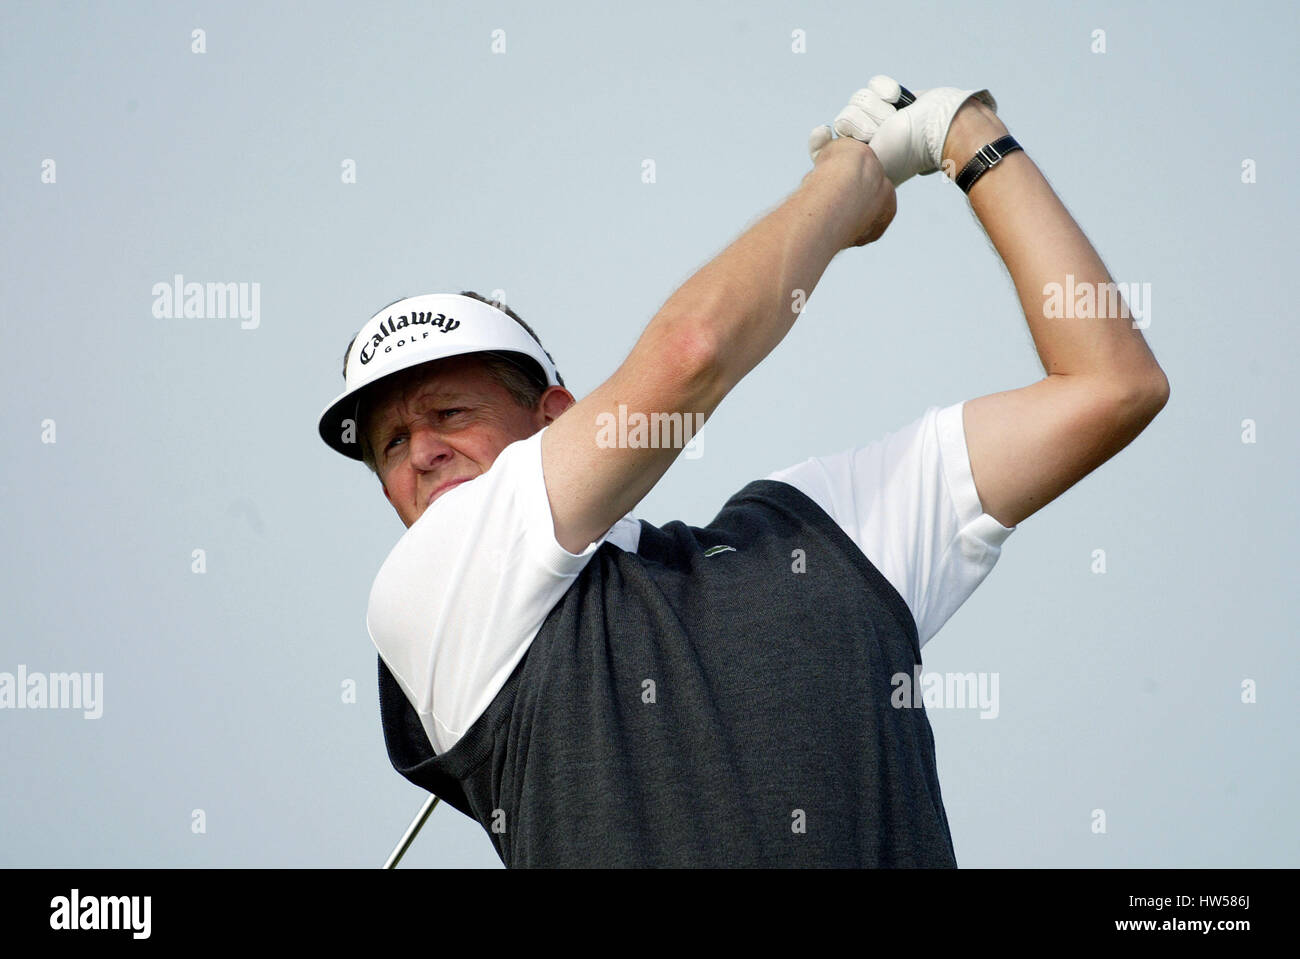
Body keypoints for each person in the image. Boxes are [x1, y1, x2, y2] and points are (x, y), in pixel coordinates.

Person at [317, 76, 1170, 867]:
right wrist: (844, 184)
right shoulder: (421, 592)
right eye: (389, 443)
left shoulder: (815, 531)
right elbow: (692, 354)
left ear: (553, 417)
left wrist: (967, 133)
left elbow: (1111, 386)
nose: (421, 450)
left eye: (451, 413)